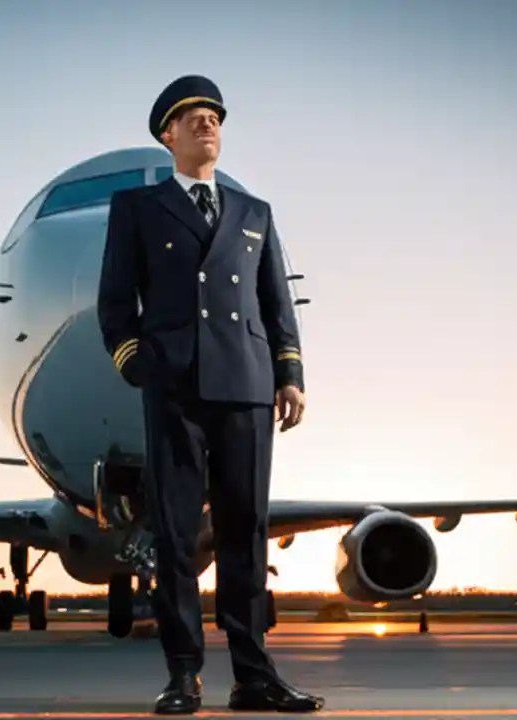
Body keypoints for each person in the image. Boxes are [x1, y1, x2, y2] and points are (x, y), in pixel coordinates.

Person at [97, 75, 324, 715]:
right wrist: (136, 362)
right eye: (193, 117)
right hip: (174, 386)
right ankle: (184, 675)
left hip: (248, 386)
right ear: (167, 135)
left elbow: (276, 301)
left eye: (215, 117)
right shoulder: (137, 210)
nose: (207, 124)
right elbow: (115, 302)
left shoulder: (256, 214)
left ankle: (254, 676)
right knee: (174, 534)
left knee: (244, 532)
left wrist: (290, 374)